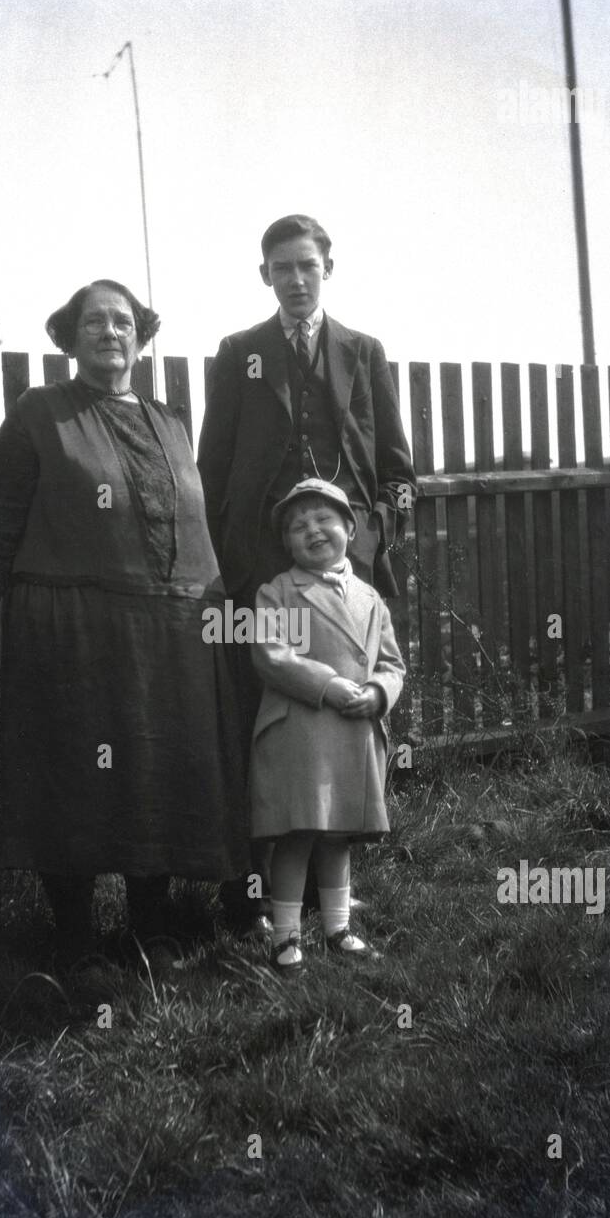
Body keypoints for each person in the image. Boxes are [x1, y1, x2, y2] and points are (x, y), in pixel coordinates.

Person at [0, 278, 247, 968]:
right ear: (68, 336)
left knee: (154, 772)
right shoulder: (39, 414)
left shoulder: (170, 421)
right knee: (74, 775)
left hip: (168, 635)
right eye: (94, 322)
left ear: (141, 336)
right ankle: (74, 940)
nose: (111, 332)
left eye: (124, 321)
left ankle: (149, 930)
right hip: (71, 629)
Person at [198, 213, 415, 934]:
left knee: (345, 723)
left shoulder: (364, 351)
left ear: (329, 267)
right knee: (267, 724)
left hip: (347, 573)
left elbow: (397, 468)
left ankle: (333, 896)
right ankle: (252, 893)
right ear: (265, 275)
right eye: (281, 267)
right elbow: (213, 467)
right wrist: (233, 563)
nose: (295, 279)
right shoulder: (240, 354)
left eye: (307, 266)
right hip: (265, 572)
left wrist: (376, 535)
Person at [249, 479, 406, 974]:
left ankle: (339, 927)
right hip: (302, 730)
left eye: (324, 521)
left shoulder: (370, 598)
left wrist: (379, 692)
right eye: (298, 527)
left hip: (354, 732)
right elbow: (272, 655)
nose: (312, 531)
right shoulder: (277, 592)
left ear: (349, 528)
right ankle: (286, 937)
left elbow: (392, 663)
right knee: (298, 834)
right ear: (287, 542)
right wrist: (329, 685)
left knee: (338, 835)